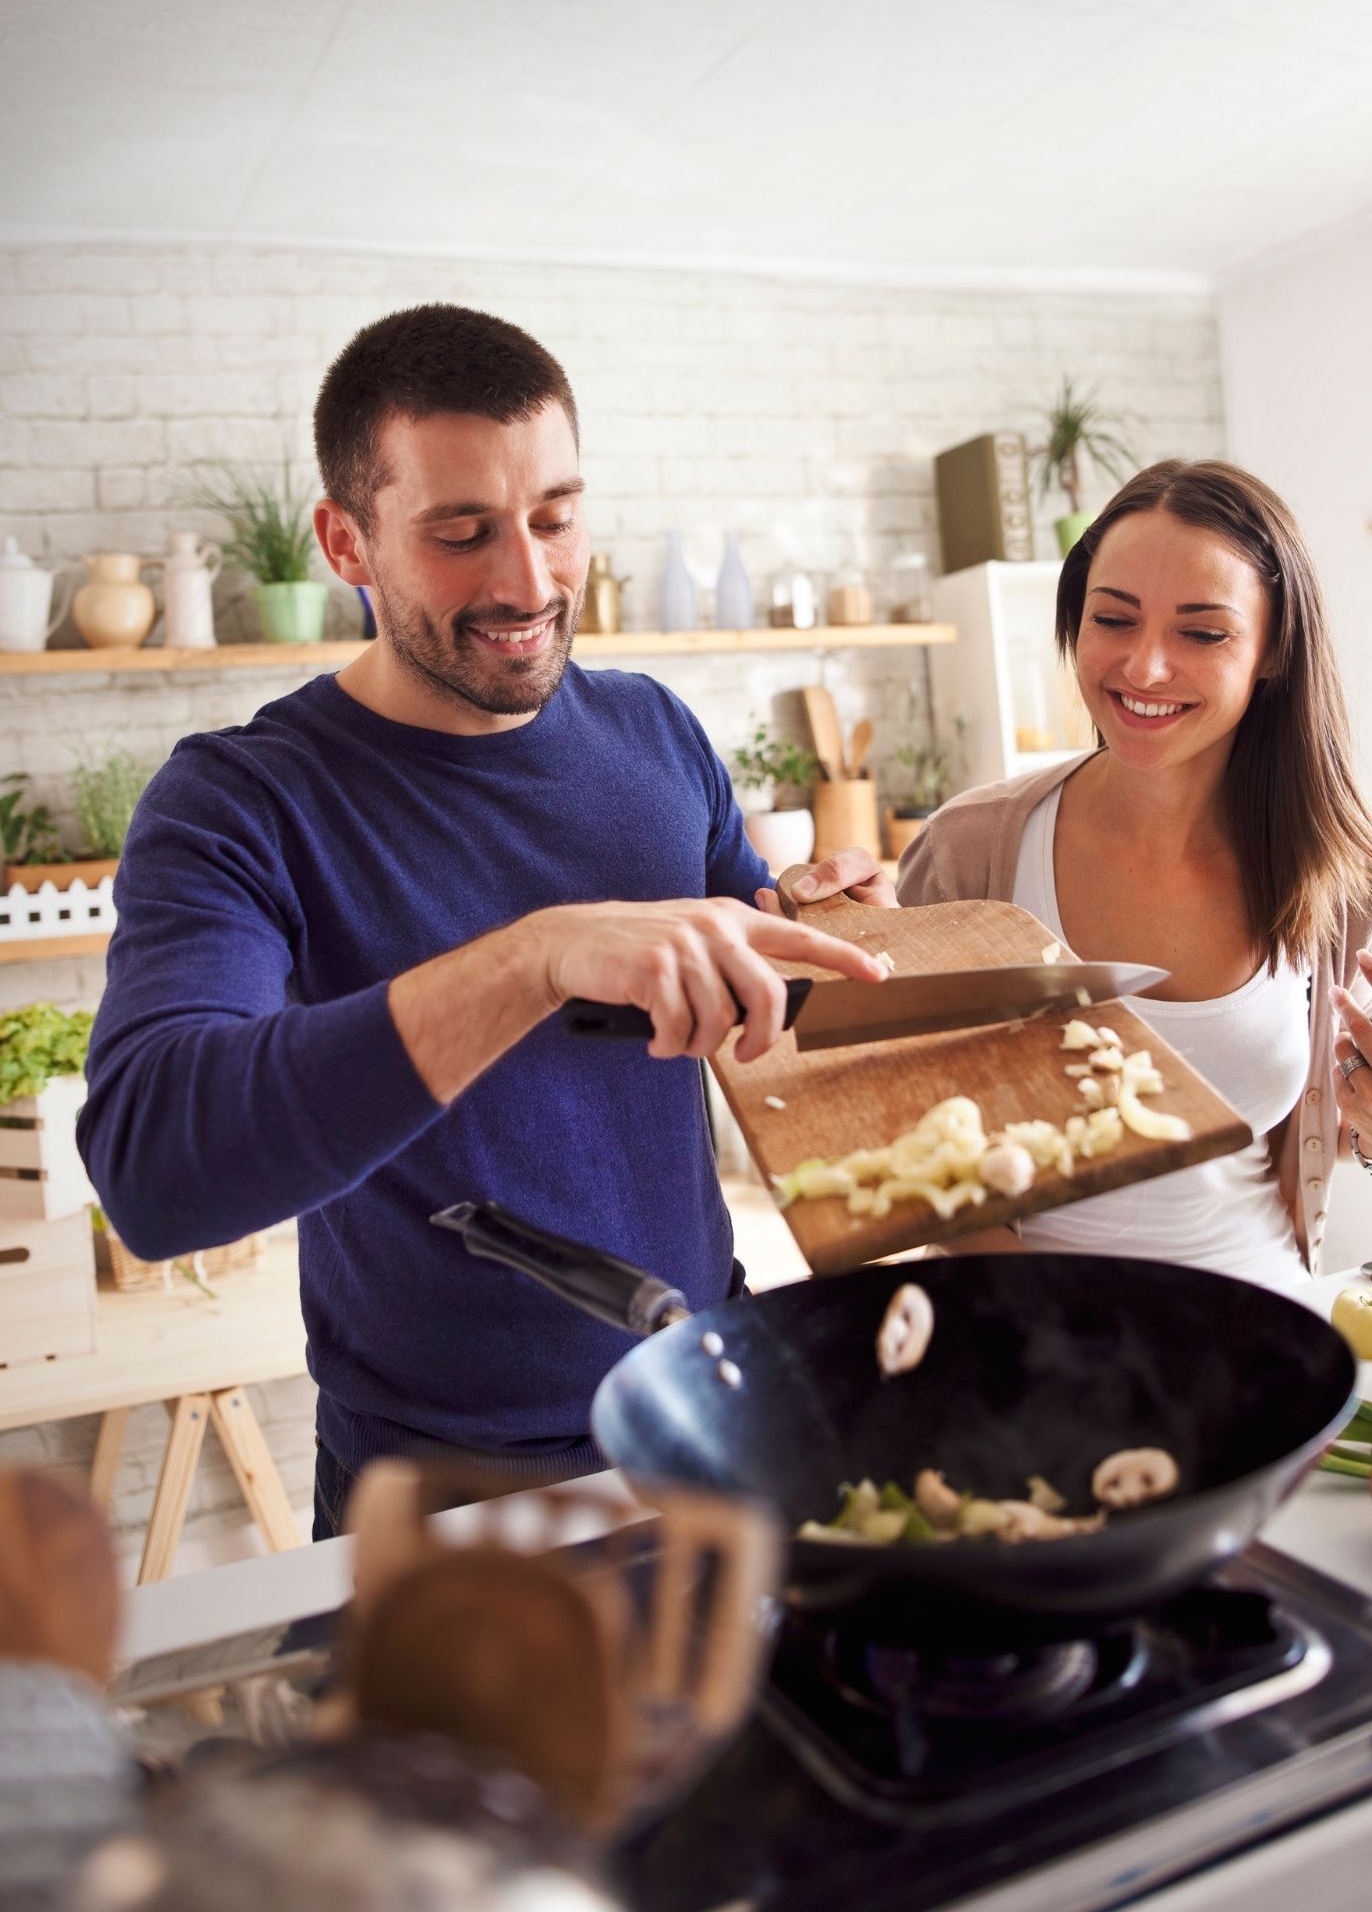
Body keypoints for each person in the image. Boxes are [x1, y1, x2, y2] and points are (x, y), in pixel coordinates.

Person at [77, 304, 886, 1535]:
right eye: (462, 533)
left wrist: (814, 927)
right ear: (346, 540)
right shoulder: (241, 799)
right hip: (447, 1495)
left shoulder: (656, 734)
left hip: (711, 1404)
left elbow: (754, 990)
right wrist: (531, 956)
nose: (527, 580)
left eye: (555, 517)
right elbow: (153, 1169)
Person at [781, 460, 1372, 1288]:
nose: (1144, 668)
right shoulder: (973, 849)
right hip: (1028, 1341)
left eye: (1202, 633)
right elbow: (903, 1140)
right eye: (1114, 619)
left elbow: (1312, 1132)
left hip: (1264, 1326)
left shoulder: (1328, 869)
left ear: (1275, 646)